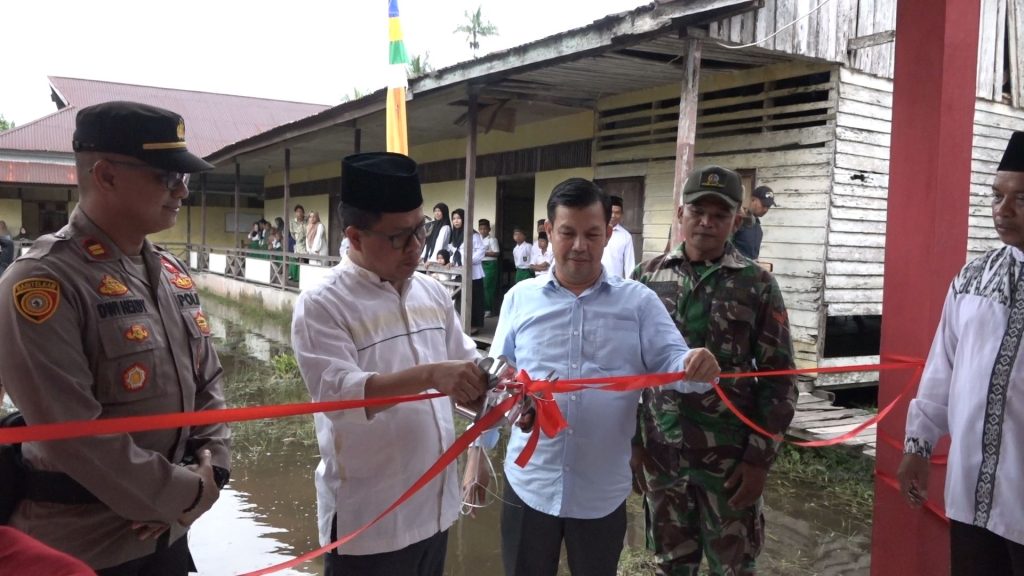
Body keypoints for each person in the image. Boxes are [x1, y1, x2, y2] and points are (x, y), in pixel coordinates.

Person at [0, 101, 230, 575]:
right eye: (167, 176)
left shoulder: (171, 273)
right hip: (80, 548)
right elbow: (71, 433)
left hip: (169, 536)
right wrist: (182, 493)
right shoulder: (43, 282)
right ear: (106, 175)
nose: (182, 189)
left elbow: (209, 383)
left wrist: (215, 471)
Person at [464, 177, 721, 576]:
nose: (580, 246)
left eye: (592, 234)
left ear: (608, 234)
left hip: (601, 492)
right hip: (529, 483)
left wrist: (697, 366)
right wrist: (476, 455)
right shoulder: (519, 299)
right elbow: (497, 382)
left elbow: (673, 362)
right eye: (568, 233)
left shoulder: (638, 303)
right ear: (549, 231)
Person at [291, 152, 488, 576]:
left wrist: (501, 387)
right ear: (355, 237)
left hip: (435, 510)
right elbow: (339, 396)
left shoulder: (432, 293)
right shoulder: (323, 305)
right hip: (370, 525)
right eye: (399, 237)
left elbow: (466, 363)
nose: (416, 247)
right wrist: (431, 375)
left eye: (420, 229)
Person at [631, 165, 796, 575]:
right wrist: (632, 444)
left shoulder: (757, 284)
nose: (706, 222)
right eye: (697, 211)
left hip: (728, 461)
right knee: (670, 565)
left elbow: (780, 379)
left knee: (734, 567)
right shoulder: (645, 278)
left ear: (736, 221)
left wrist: (758, 460)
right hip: (663, 455)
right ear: (680, 214)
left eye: (719, 214)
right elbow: (628, 367)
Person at [898, 132, 1024, 576]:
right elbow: (942, 368)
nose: (1002, 210)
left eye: (1021, 199)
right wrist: (918, 445)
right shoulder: (973, 278)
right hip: (971, 494)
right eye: (996, 195)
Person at [449, 208, 485, 334]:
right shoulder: (453, 236)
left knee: (474, 299)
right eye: (454, 219)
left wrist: (468, 262)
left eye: (459, 218)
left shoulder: (473, 234)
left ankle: (474, 326)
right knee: (459, 298)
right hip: (458, 271)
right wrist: (451, 262)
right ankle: (460, 324)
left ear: (464, 219)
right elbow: (452, 252)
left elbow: (481, 251)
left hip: (473, 272)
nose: (456, 221)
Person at [732, 185, 776, 260]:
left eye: (768, 206)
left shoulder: (757, 226)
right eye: (764, 205)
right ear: (753, 200)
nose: (765, 210)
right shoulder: (738, 220)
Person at [599, 195, 636, 278]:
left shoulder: (626, 236)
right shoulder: (596, 232)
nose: (613, 215)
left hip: (615, 282)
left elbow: (629, 265)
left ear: (622, 214)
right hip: (594, 281)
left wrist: (630, 283)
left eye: (617, 212)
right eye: (611, 212)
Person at [479, 218, 500, 316]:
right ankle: (481, 308)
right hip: (480, 264)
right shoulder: (478, 239)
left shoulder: (492, 240)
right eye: (481, 229)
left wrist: (484, 253)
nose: (483, 231)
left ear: (489, 229)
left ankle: (488, 309)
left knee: (488, 287)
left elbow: (496, 253)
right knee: (480, 286)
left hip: (490, 264)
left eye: (485, 229)